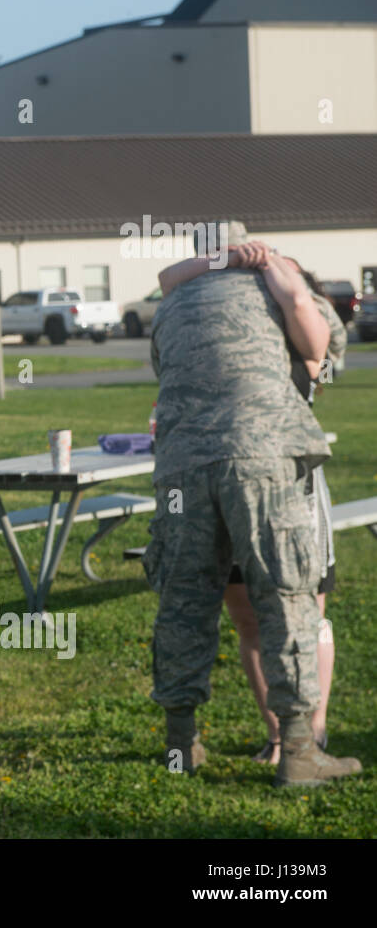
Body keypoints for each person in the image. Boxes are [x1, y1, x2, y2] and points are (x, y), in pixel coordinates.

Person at [146, 225, 361, 787]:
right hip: (261, 454)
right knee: (286, 595)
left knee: (184, 597)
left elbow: (168, 370)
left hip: (181, 462)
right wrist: (286, 281)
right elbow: (320, 352)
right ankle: (297, 749)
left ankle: (180, 743)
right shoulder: (281, 276)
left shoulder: (174, 301)